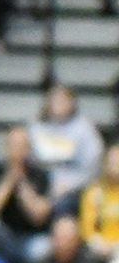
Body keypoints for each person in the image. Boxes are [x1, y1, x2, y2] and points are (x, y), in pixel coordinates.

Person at [0, 126, 54, 263]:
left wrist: (21, 184)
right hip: (5, 234)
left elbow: (40, 215)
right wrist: (9, 182)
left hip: (33, 235)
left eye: (22, 146)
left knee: (42, 249)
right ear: (7, 147)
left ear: (29, 149)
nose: (18, 150)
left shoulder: (40, 174)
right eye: (14, 145)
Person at [30, 82, 105, 213]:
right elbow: (29, 159)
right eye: (54, 100)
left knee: (64, 205)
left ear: (72, 102)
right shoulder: (37, 128)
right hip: (41, 185)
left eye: (63, 100)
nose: (58, 104)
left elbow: (93, 167)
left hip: (74, 189)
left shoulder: (84, 129)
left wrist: (72, 184)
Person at [82, 146, 119, 257]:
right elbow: (88, 228)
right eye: (113, 163)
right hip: (100, 249)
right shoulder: (95, 192)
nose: (116, 168)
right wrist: (100, 245)